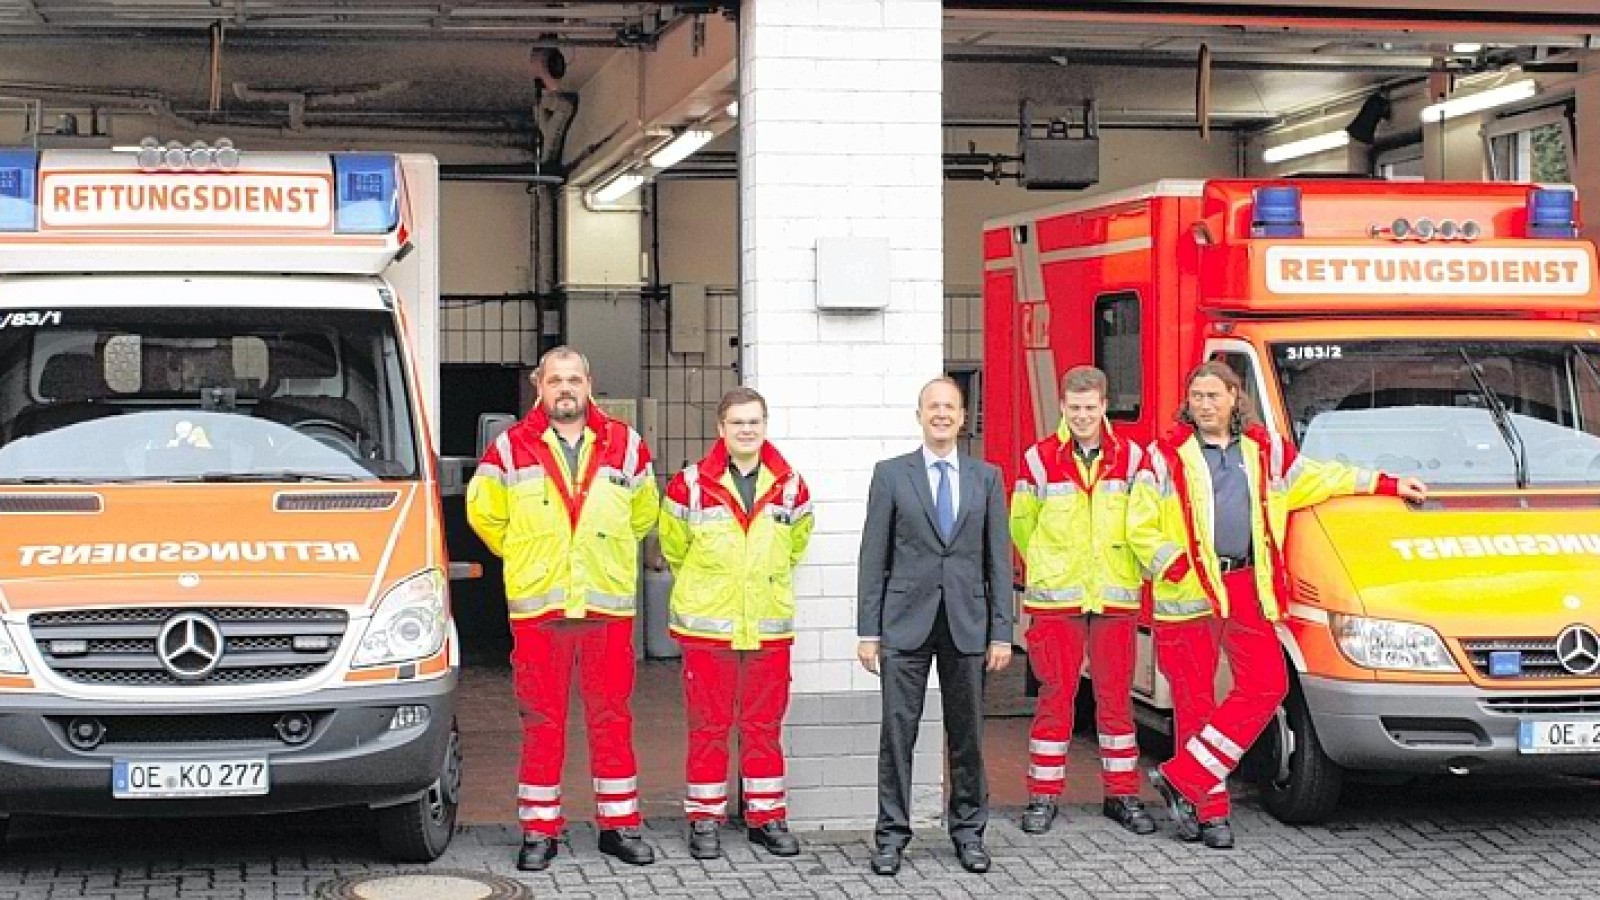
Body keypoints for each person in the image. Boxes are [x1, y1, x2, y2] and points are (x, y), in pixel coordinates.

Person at [1128, 361, 1426, 849]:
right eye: (1196, 396)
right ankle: (1210, 812)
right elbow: (1138, 524)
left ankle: (1184, 777)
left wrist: (1386, 484)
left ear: (1233, 398)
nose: (1204, 404)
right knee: (1194, 702)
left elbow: (1322, 477)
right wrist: (1175, 565)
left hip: (1247, 584)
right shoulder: (1164, 456)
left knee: (1268, 684)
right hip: (1188, 595)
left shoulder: (1264, 452)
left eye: (1213, 395)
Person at [466, 346, 660, 872]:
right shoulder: (509, 448)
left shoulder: (627, 444)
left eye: (574, 379)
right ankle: (539, 830)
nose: (566, 389)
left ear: (589, 383)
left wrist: (600, 554)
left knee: (612, 720)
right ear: (539, 385)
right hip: (540, 611)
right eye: (556, 380)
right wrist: (531, 553)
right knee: (541, 722)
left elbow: (643, 514)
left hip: (605, 608)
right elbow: (483, 514)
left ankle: (619, 827)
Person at [856, 376, 1013, 876]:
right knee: (897, 735)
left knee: (966, 735)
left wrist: (1001, 631)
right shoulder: (890, 475)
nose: (942, 415)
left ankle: (969, 833)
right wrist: (868, 630)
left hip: (967, 625)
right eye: (933, 407)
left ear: (963, 417)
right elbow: (872, 557)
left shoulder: (987, 477)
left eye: (951, 407)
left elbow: (998, 563)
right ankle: (891, 837)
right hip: (905, 624)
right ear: (919, 415)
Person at [658, 387, 815, 860]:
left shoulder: (791, 485)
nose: (747, 430)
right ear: (720, 429)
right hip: (709, 631)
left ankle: (766, 818)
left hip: (767, 629)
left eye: (755, 422)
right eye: (737, 422)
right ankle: (705, 820)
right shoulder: (688, 485)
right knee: (708, 726)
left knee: (763, 725)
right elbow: (673, 548)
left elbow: (796, 545)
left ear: (765, 426)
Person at [1010, 366, 1154, 837]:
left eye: (1091, 407)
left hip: (1113, 597)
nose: (1083, 416)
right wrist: (1051, 568)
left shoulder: (1132, 459)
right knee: (1056, 698)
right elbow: (1020, 527)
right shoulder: (1039, 459)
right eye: (1075, 409)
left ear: (1105, 405)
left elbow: (1146, 522)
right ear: (1063, 408)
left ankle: (1123, 796)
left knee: (1115, 702)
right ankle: (1043, 797)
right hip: (1057, 601)